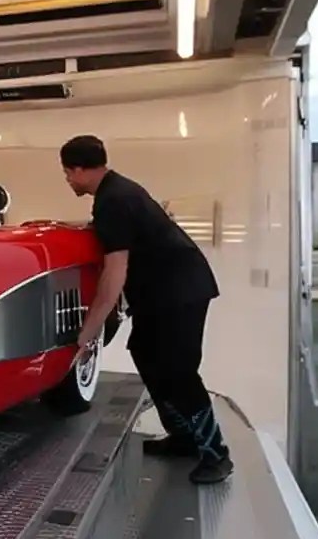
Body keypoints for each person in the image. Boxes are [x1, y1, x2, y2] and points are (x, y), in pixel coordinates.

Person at [58, 134, 233, 484]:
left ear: (78, 169)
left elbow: (114, 274)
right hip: (163, 294)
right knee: (145, 353)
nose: (67, 180)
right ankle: (183, 437)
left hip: (180, 292)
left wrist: (87, 333)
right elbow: (113, 233)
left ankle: (216, 455)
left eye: (67, 173)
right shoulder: (113, 192)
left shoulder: (114, 199)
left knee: (179, 371)